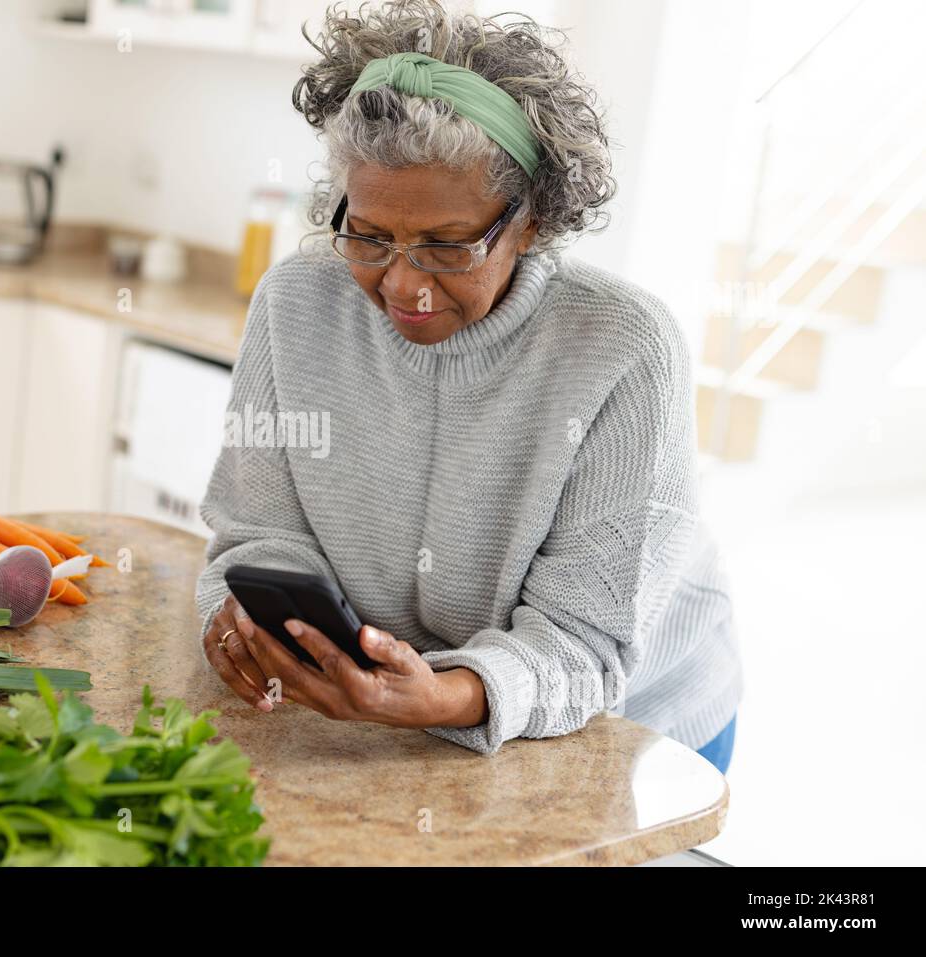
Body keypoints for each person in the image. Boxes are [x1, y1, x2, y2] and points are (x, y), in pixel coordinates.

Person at [195, 0, 742, 773]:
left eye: (449, 247)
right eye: (370, 236)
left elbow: (581, 642)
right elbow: (258, 532)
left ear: (531, 221)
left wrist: (449, 694)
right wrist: (246, 620)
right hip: (400, 715)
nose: (404, 285)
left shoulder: (623, 349)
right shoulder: (296, 303)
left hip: (633, 728)